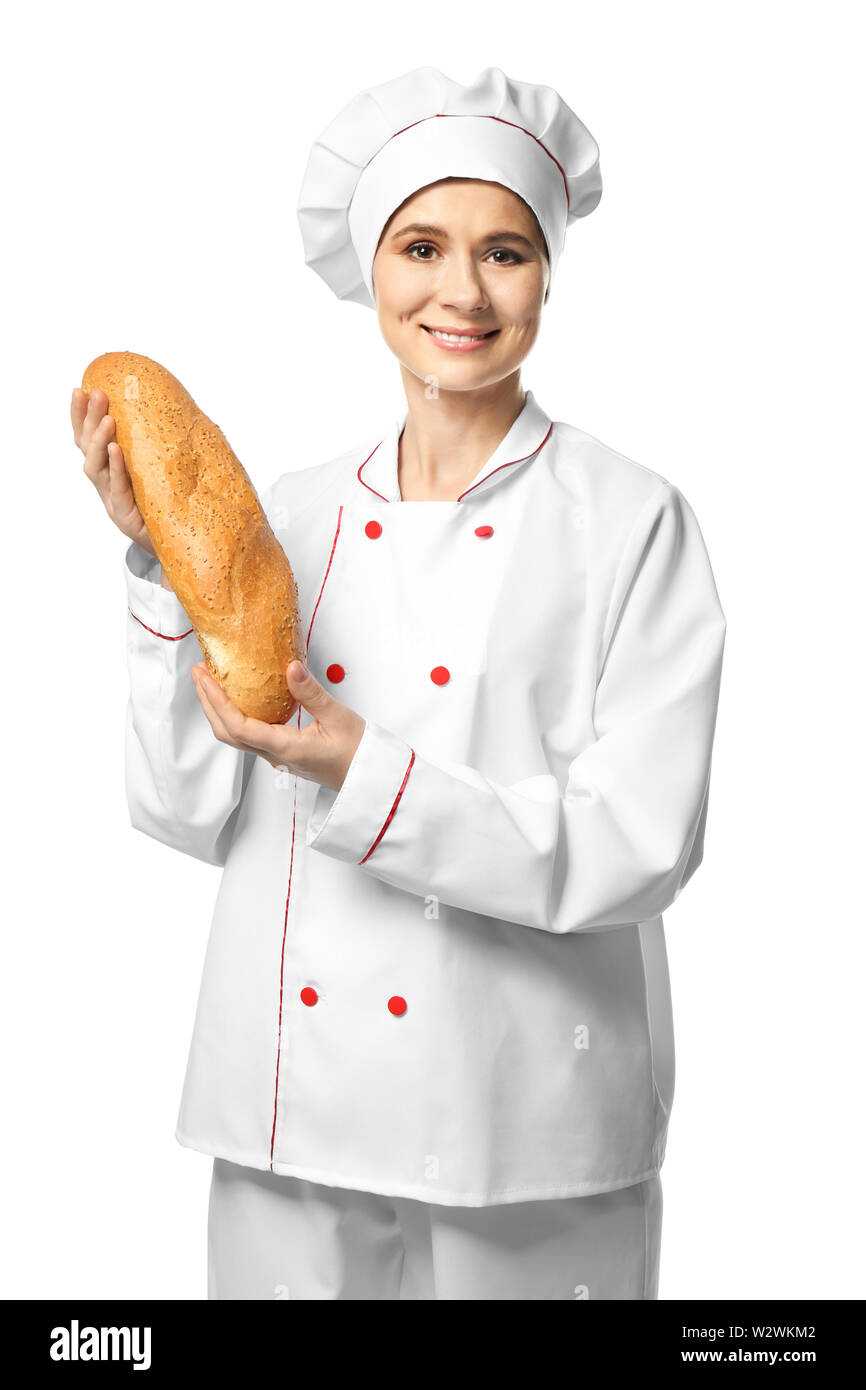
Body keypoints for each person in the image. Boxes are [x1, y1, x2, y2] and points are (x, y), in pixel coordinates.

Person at [71, 66, 726, 1301]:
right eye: (421, 246)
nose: (461, 292)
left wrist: (362, 770)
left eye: (506, 252)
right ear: (371, 269)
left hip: (523, 1129)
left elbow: (639, 843)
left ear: (548, 273)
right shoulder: (286, 515)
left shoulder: (630, 520)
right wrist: (162, 564)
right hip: (285, 1126)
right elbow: (182, 811)